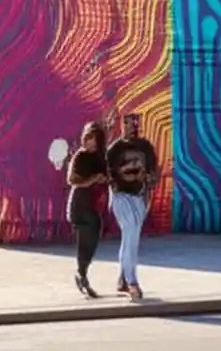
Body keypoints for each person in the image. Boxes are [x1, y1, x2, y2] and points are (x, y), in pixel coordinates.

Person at [106, 113, 157, 301]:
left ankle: (122, 278)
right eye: (127, 123)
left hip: (139, 196)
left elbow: (152, 171)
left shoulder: (145, 147)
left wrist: (149, 189)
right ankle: (131, 280)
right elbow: (109, 173)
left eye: (134, 123)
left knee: (130, 236)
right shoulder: (115, 149)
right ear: (122, 124)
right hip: (121, 196)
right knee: (131, 234)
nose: (131, 126)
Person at [65, 121, 108, 298]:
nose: (88, 142)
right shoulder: (80, 156)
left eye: (92, 139)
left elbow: (106, 175)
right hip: (79, 204)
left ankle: (82, 272)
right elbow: (71, 180)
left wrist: (103, 179)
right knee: (85, 237)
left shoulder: (99, 157)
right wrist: (91, 180)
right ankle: (81, 274)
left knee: (94, 232)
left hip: (93, 203)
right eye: (86, 138)